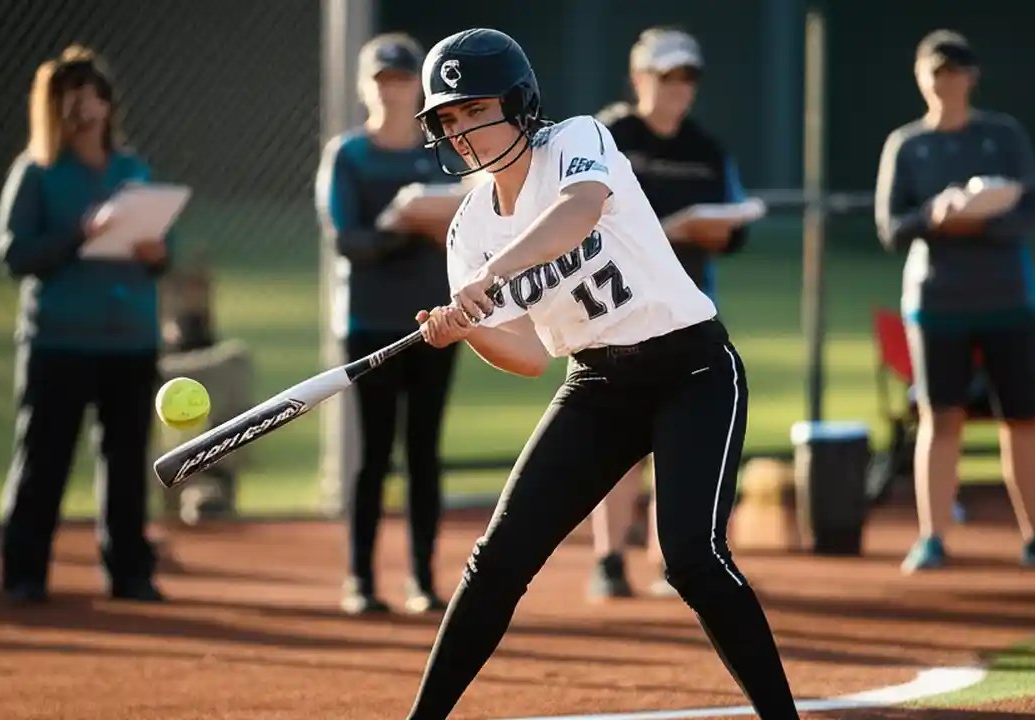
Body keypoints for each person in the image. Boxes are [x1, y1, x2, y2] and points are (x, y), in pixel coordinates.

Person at [405, 29, 798, 719]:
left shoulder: (576, 141)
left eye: (475, 110)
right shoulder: (469, 229)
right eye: (449, 119)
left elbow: (579, 209)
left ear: (521, 103)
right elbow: (529, 356)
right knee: (495, 563)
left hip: (692, 367)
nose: (462, 130)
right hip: (597, 387)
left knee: (692, 560)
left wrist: (493, 280)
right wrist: (467, 331)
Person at [874, 30, 1035, 573]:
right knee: (941, 418)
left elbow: (1032, 206)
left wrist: (982, 219)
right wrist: (936, 218)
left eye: (956, 71)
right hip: (936, 303)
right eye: (936, 71)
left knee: (1022, 417)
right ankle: (932, 538)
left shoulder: (1004, 135)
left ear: (972, 76)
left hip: (1010, 300)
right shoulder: (907, 144)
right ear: (921, 77)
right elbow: (891, 227)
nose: (947, 82)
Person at [0, 45, 175, 604]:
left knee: (126, 464)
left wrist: (153, 251)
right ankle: (24, 574)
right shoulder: (37, 173)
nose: (86, 103)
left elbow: (167, 252)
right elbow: (13, 254)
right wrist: (80, 234)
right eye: (72, 94)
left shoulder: (131, 169)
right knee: (43, 460)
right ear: (52, 106)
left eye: (95, 91)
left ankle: (129, 571)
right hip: (60, 340)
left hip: (130, 339)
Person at [589, 26, 752, 600]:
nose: (680, 89)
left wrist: (716, 229)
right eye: (667, 76)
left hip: (685, 314)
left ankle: (670, 562)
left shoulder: (707, 148)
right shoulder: (608, 136)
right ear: (639, 80)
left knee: (678, 440)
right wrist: (668, 230)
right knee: (614, 440)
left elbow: (738, 230)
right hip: (612, 312)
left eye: (688, 78)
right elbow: (586, 220)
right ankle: (608, 560)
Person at [314, 33, 464, 616]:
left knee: (424, 451)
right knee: (373, 454)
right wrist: (405, 225)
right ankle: (361, 578)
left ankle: (424, 580)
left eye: (402, 80)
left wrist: (428, 223)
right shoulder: (348, 155)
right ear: (363, 87)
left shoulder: (440, 152)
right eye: (381, 80)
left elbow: (472, 218)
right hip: (371, 322)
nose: (393, 91)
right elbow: (349, 241)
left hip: (436, 320)